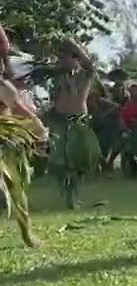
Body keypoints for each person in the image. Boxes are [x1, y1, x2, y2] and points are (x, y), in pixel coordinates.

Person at [0, 25, 48, 247]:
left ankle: (27, 233)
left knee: (17, 186)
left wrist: (39, 130)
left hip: (6, 140)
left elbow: (21, 110)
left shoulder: (4, 87)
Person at [44, 40, 103, 208]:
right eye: (60, 58)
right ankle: (66, 188)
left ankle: (73, 194)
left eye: (65, 58)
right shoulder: (58, 79)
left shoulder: (84, 76)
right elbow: (55, 100)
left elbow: (90, 65)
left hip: (78, 121)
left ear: (75, 59)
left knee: (79, 161)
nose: (62, 61)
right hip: (60, 121)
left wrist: (75, 46)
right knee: (56, 162)